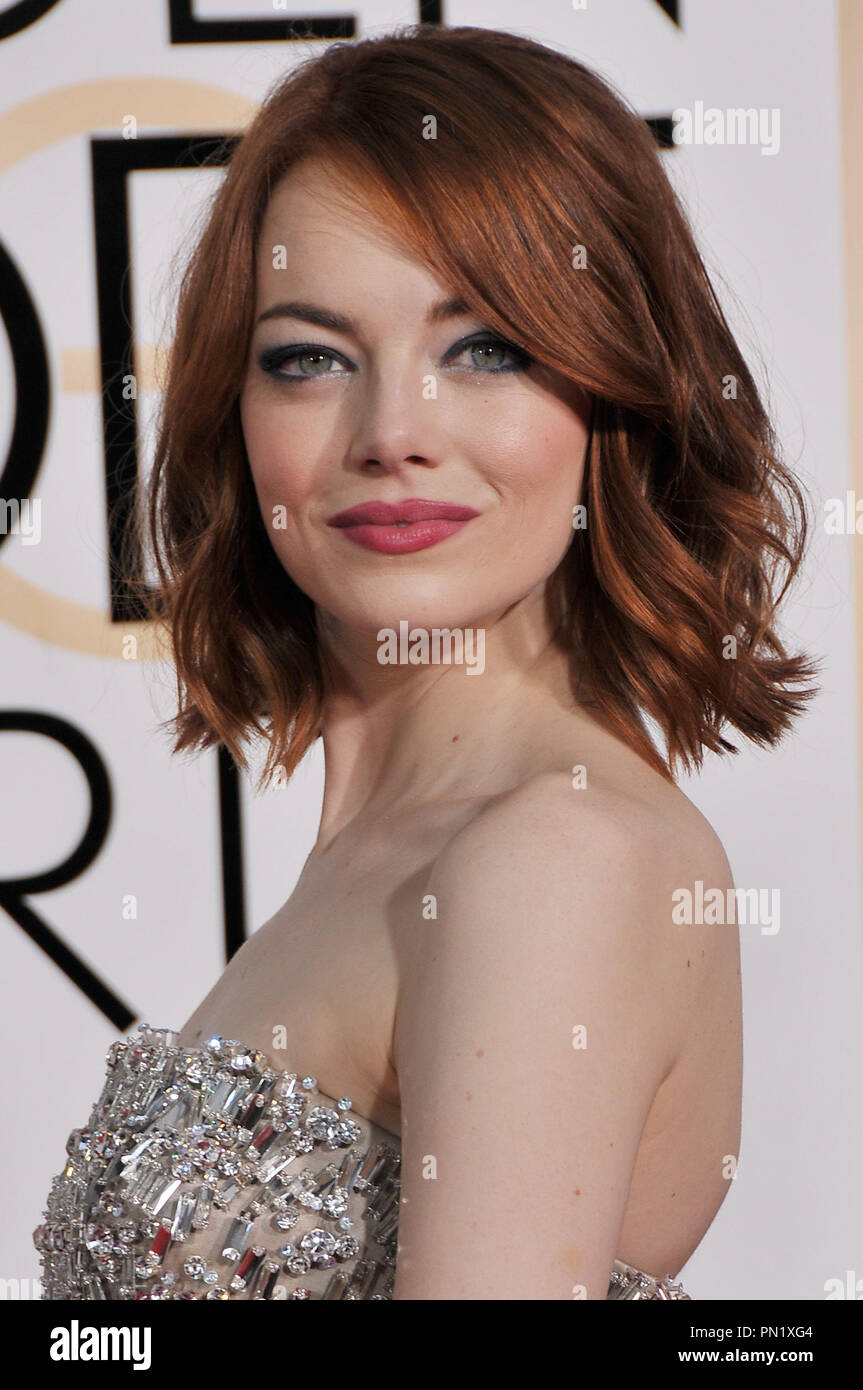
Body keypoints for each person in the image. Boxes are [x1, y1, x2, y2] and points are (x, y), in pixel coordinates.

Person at [33, 23, 819, 1301]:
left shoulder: (549, 858)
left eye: (486, 348)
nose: (392, 431)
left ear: (612, 387)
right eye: (309, 359)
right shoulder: (385, 850)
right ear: (236, 415)